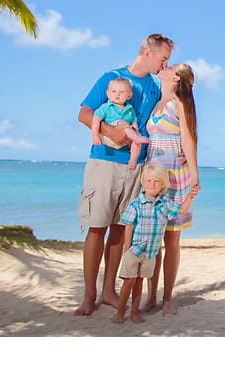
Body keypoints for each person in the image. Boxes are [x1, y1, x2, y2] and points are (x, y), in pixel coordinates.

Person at [75, 33, 174, 317]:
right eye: (163, 58)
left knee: (120, 228)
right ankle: (89, 295)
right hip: (104, 163)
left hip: (137, 167)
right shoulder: (112, 77)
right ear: (146, 52)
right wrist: (110, 132)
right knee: (97, 226)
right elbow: (84, 113)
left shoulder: (155, 86)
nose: (165, 63)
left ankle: (108, 291)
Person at [140, 63, 201, 316]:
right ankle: (151, 296)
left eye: (172, 66)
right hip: (153, 173)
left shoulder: (179, 104)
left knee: (171, 239)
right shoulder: (156, 104)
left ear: (176, 78)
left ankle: (167, 299)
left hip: (175, 174)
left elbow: (188, 139)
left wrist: (195, 176)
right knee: (153, 238)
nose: (164, 66)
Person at [112, 162, 197, 324]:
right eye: (149, 181)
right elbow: (128, 227)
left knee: (139, 282)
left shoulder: (164, 204)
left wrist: (189, 197)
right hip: (134, 250)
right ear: (143, 183)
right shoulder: (136, 204)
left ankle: (135, 311)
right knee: (128, 282)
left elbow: (182, 210)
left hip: (150, 253)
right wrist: (127, 249)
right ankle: (120, 313)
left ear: (163, 184)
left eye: (156, 182)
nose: (152, 185)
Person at [91, 77, 150, 170]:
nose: (117, 94)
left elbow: (134, 122)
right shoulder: (106, 107)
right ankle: (136, 137)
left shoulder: (130, 109)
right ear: (107, 93)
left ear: (129, 96)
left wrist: (136, 132)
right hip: (109, 135)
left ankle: (133, 160)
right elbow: (96, 119)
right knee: (123, 123)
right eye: (113, 91)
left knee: (137, 141)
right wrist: (95, 135)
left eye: (122, 92)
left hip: (125, 137)